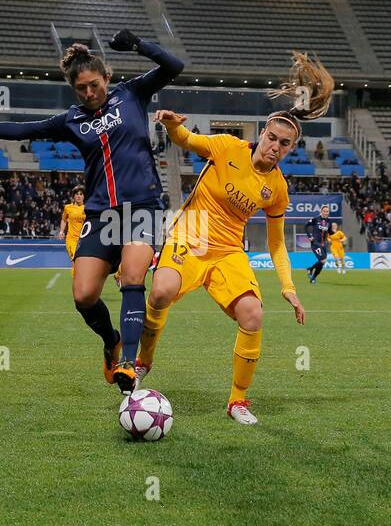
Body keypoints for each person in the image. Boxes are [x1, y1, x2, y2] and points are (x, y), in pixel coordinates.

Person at [0, 31, 183, 393]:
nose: (88, 93)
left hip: (142, 207)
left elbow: (174, 66)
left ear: (106, 78)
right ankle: (111, 340)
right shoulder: (70, 120)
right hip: (100, 215)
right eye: (81, 88)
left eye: (94, 84)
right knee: (84, 296)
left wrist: (137, 44)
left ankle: (129, 365)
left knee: (133, 278)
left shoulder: (132, 94)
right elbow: (19, 129)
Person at [136, 51, 322, 424]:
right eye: (272, 137)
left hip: (227, 252)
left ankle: (238, 401)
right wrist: (172, 124)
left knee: (253, 314)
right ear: (262, 134)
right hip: (191, 237)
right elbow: (185, 139)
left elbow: (276, 243)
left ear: (290, 149)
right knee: (159, 292)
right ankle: (143, 362)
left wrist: (288, 286)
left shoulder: (277, 189)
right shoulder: (226, 147)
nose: (276, 147)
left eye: (285, 144)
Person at [305, 205, 334, 283]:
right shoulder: (315, 219)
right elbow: (307, 226)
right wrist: (309, 236)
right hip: (315, 243)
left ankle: (313, 278)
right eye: (324, 211)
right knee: (323, 260)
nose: (325, 213)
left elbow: (330, 232)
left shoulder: (329, 222)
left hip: (324, 244)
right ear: (321, 211)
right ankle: (310, 269)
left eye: (327, 211)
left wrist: (335, 232)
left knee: (321, 263)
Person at [59, 185, 87, 261]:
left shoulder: (87, 208)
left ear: (84, 196)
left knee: (82, 262)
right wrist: (61, 231)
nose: (79, 196)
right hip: (71, 239)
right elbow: (64, 220)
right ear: (73, 196)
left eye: (81, 194)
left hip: (84, 240)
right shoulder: (67, 207)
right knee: (75, 259)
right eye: (77, 194)